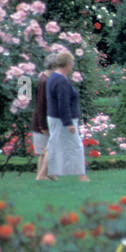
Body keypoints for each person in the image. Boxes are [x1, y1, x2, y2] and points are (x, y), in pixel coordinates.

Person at [44, 50, 88, 182]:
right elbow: (63, 103)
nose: (72, 66)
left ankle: (51, 172)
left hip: (55, 118)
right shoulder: (61, 81)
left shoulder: (53, 78)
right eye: (72, 63)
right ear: (68, 64)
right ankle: (82, 175)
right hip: (61, 119)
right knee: (76, 146)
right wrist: (68, 122)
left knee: (55, 144)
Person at [31, 58, 53, 180]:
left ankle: (44, 175)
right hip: (41, 123)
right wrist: (43, 126)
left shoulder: (45, 79)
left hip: (42, 122)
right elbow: (41, 106)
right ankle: (41, 176)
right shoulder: (44, 82)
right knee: (45, 152)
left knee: (45, 151)